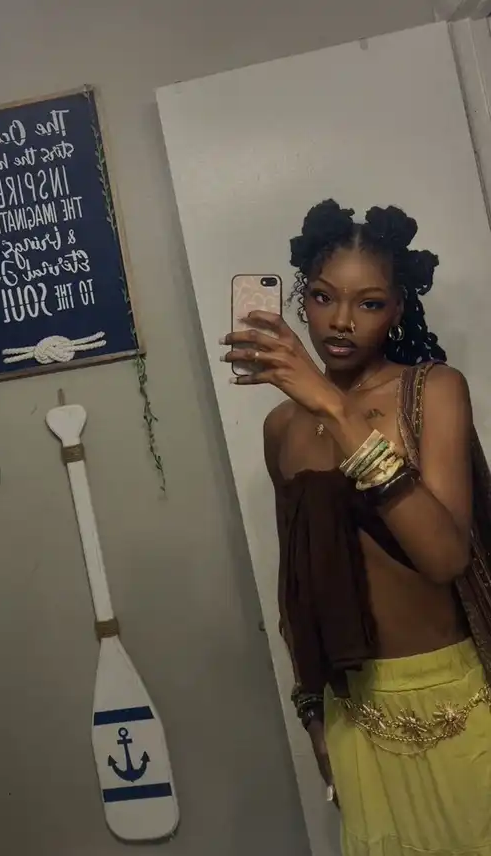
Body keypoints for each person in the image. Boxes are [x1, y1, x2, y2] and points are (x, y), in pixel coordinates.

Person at [220, 200, 491, 856]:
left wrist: (333, 408)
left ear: (397, 310)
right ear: (301, 299)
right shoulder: (281, 428)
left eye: (368, 303)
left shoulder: (433, 391)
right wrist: (312, 713)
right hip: (353, 714)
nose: (340, 321)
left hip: (454, 703)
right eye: (322, 297)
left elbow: (445, 557)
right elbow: (298, 585)